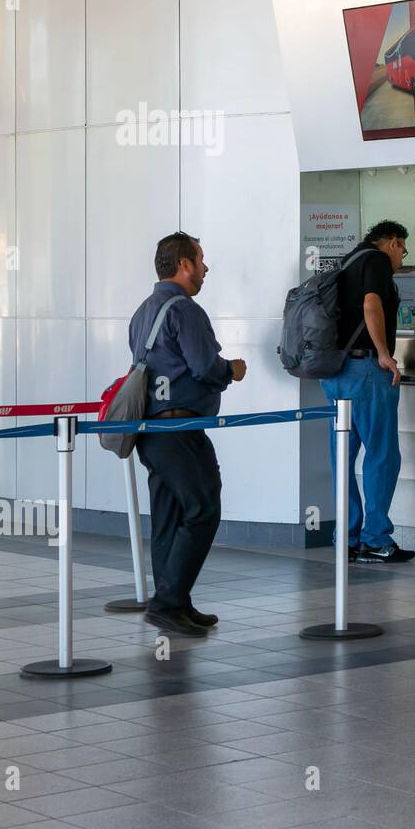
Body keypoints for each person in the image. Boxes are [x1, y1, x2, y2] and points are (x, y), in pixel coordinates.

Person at [129, 232, 246, 638]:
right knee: (202, 509)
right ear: (183, 264)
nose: (205, 268)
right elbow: (203, 367)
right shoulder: (186, 310)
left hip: (150, 430)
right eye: (201, 260)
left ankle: (174, 601)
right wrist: (231, 369)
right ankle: (167, 603)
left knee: (167, 515)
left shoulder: (144, 311)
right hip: (181, 428)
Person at [321, 219, 414, 565]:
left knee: (343, 457)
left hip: (336, 372)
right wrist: (384, 354)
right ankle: (375, 538)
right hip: (365, 371)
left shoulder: (348, 260)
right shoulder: (375, 261)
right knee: (382, 454)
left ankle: (346, 536)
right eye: (402, 248)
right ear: (390, 242)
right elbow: (371, 304)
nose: (403, 256)